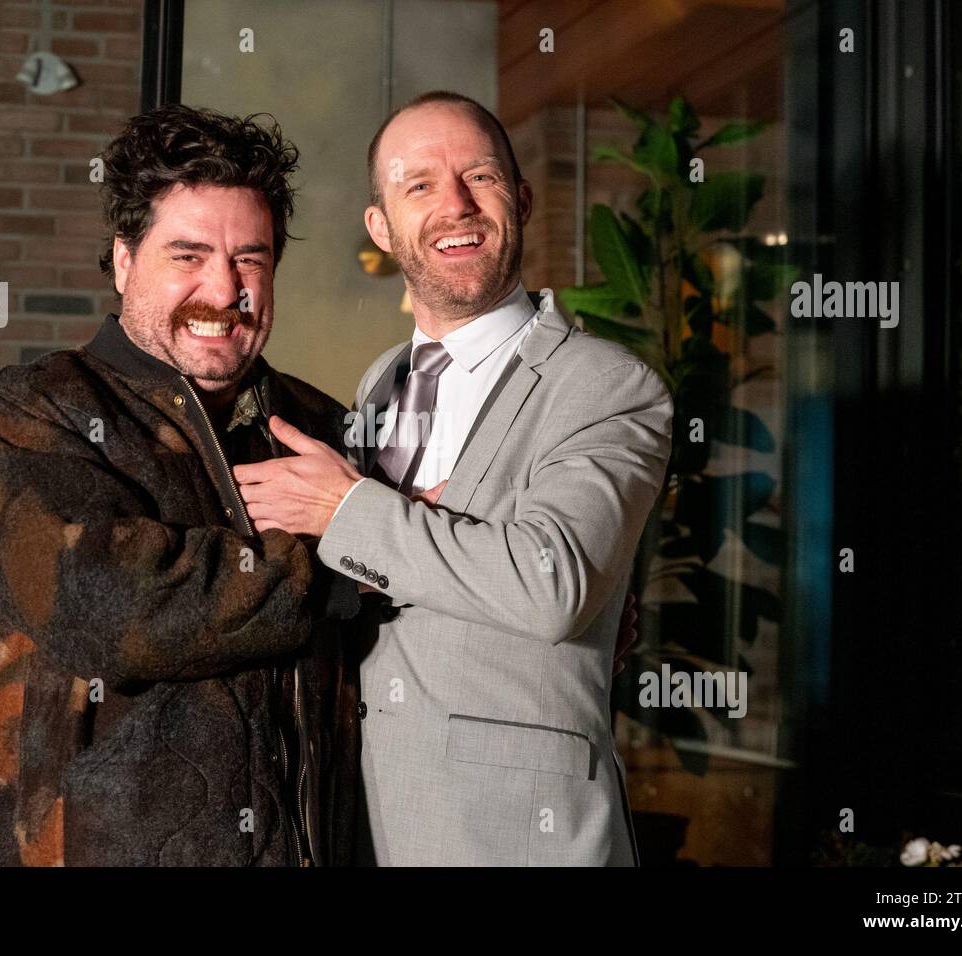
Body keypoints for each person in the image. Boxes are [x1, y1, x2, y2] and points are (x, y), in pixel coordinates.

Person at [234, 91, 673, 866]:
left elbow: (551, 585)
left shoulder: (609, 386)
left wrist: (345, 508)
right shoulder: (380, 382)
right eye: (419, 186)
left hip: (518, 835)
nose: (456, 206)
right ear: (382, 227)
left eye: (481, 177)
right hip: (358, 818)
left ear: (522, 198)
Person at [0, 104, 362, 866]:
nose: (224, 288)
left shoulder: (320, 425)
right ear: (125, 259)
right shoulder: (25, 413)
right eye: (187, 256)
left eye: (251, 260)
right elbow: (107, 608)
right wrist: (343, 561)